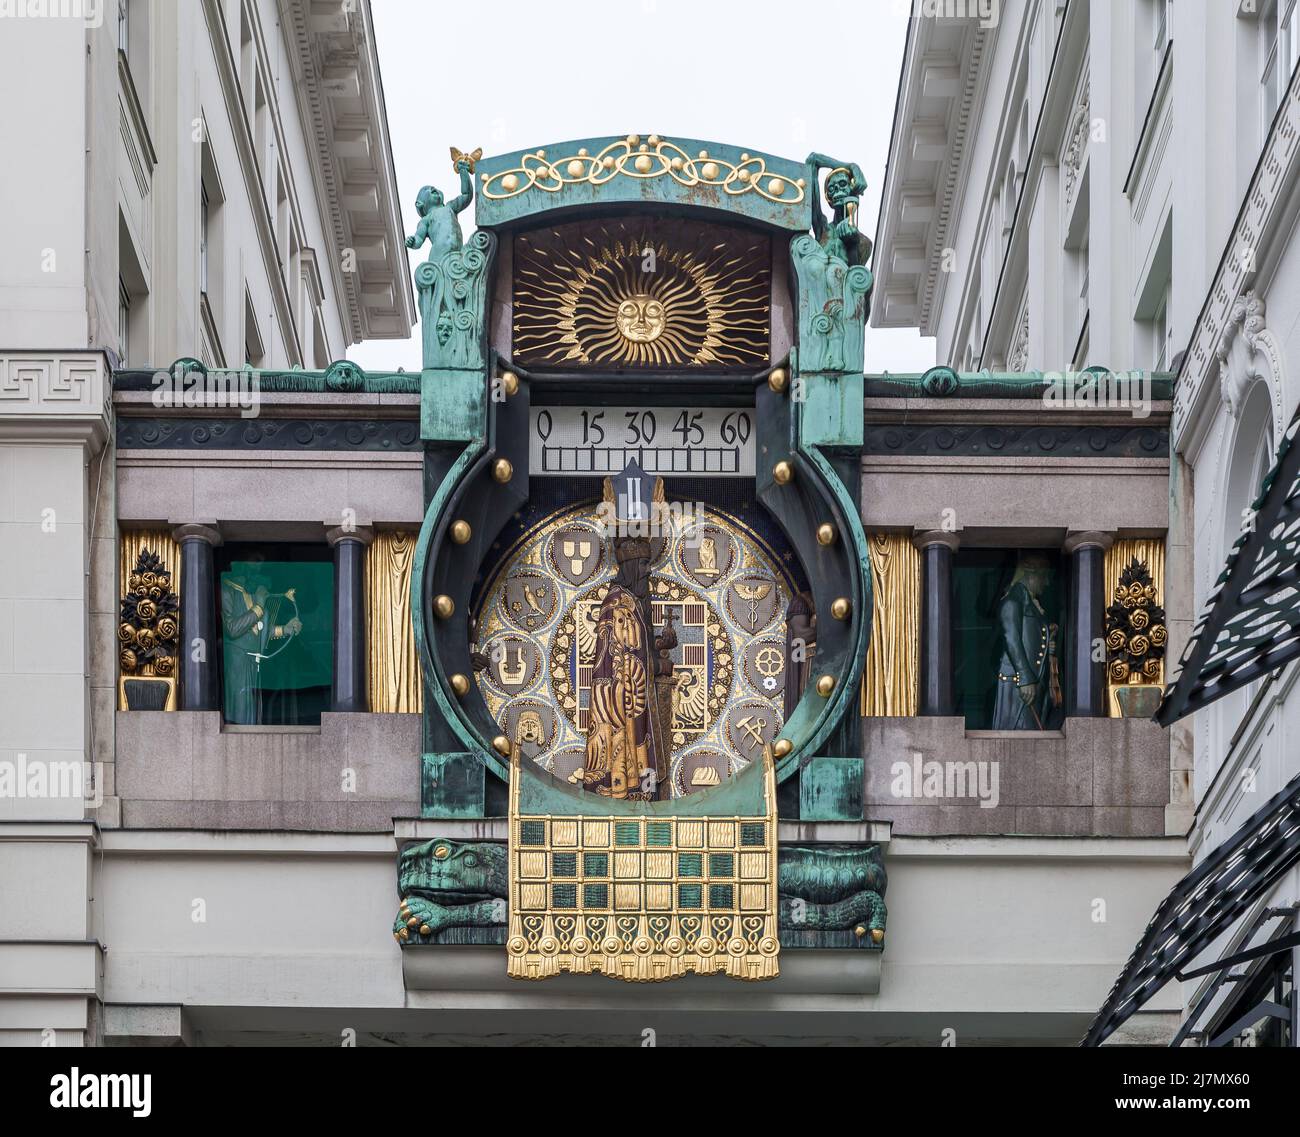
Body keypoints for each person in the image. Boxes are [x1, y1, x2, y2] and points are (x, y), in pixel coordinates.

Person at [991, 555, 1063, 730]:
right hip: (1020, 683)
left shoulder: (1030, 602)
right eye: (1043, 576)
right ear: (1032, 575)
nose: (1046, 583)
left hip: (1033, 683)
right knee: (1018, 731)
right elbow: (1012, 639)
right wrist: (1024, 678)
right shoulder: (1013, 601)